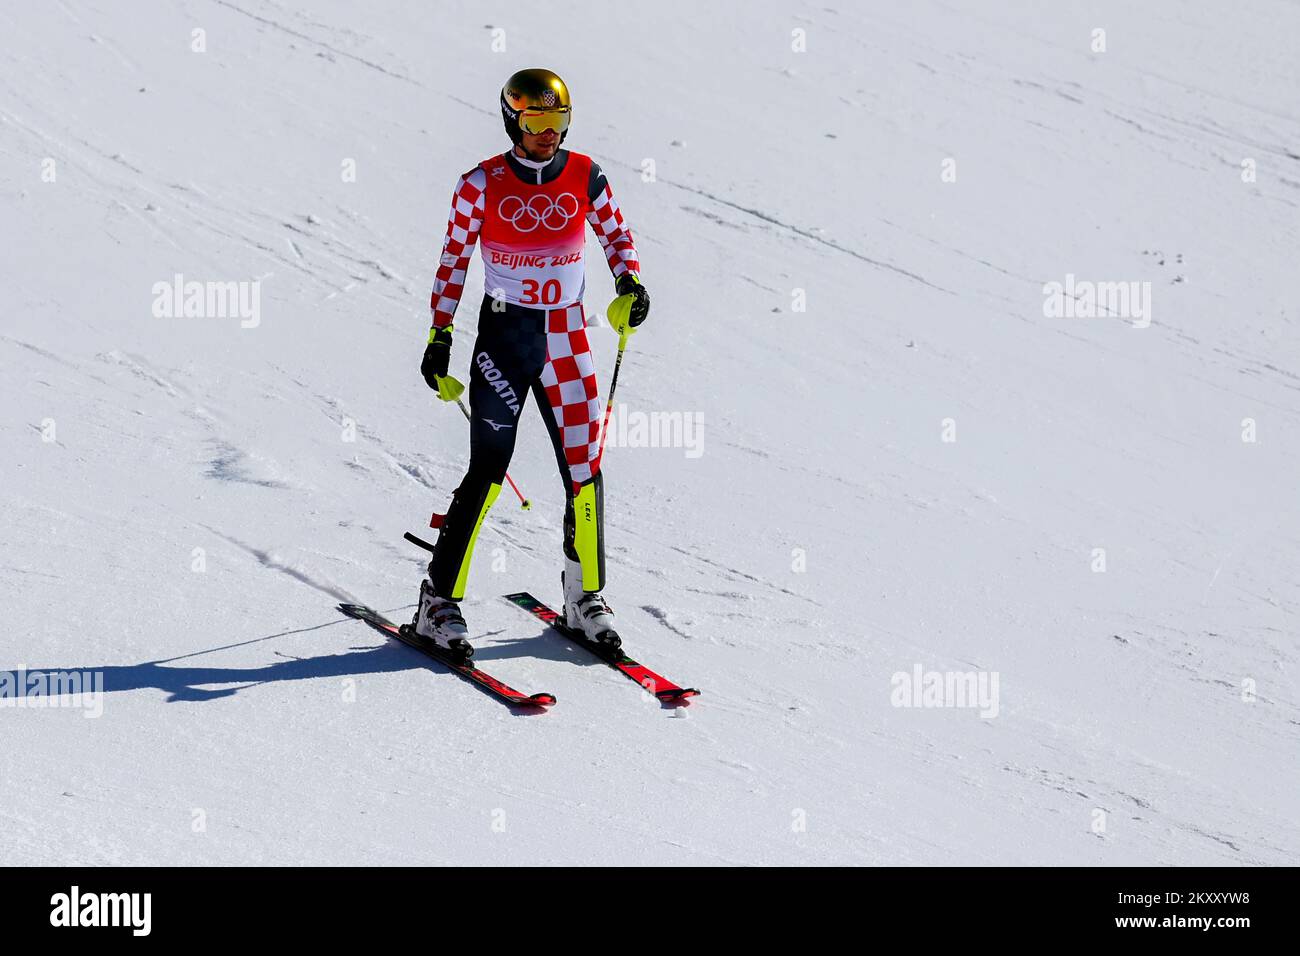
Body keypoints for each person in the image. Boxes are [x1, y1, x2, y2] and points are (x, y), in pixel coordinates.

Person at [414, 68, 650, 661]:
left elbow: (617, 235)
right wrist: (440, 336)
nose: (548, 134)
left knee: (584, 470)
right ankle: (437, 602)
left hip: (568, 336)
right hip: (506, 337)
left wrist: (631, 283)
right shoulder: (480, 184)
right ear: (512, 119)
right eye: (536, 122)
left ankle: (583, 596)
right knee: (488, 470)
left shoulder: (585, 174)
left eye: (557, 122)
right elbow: (453, 260)